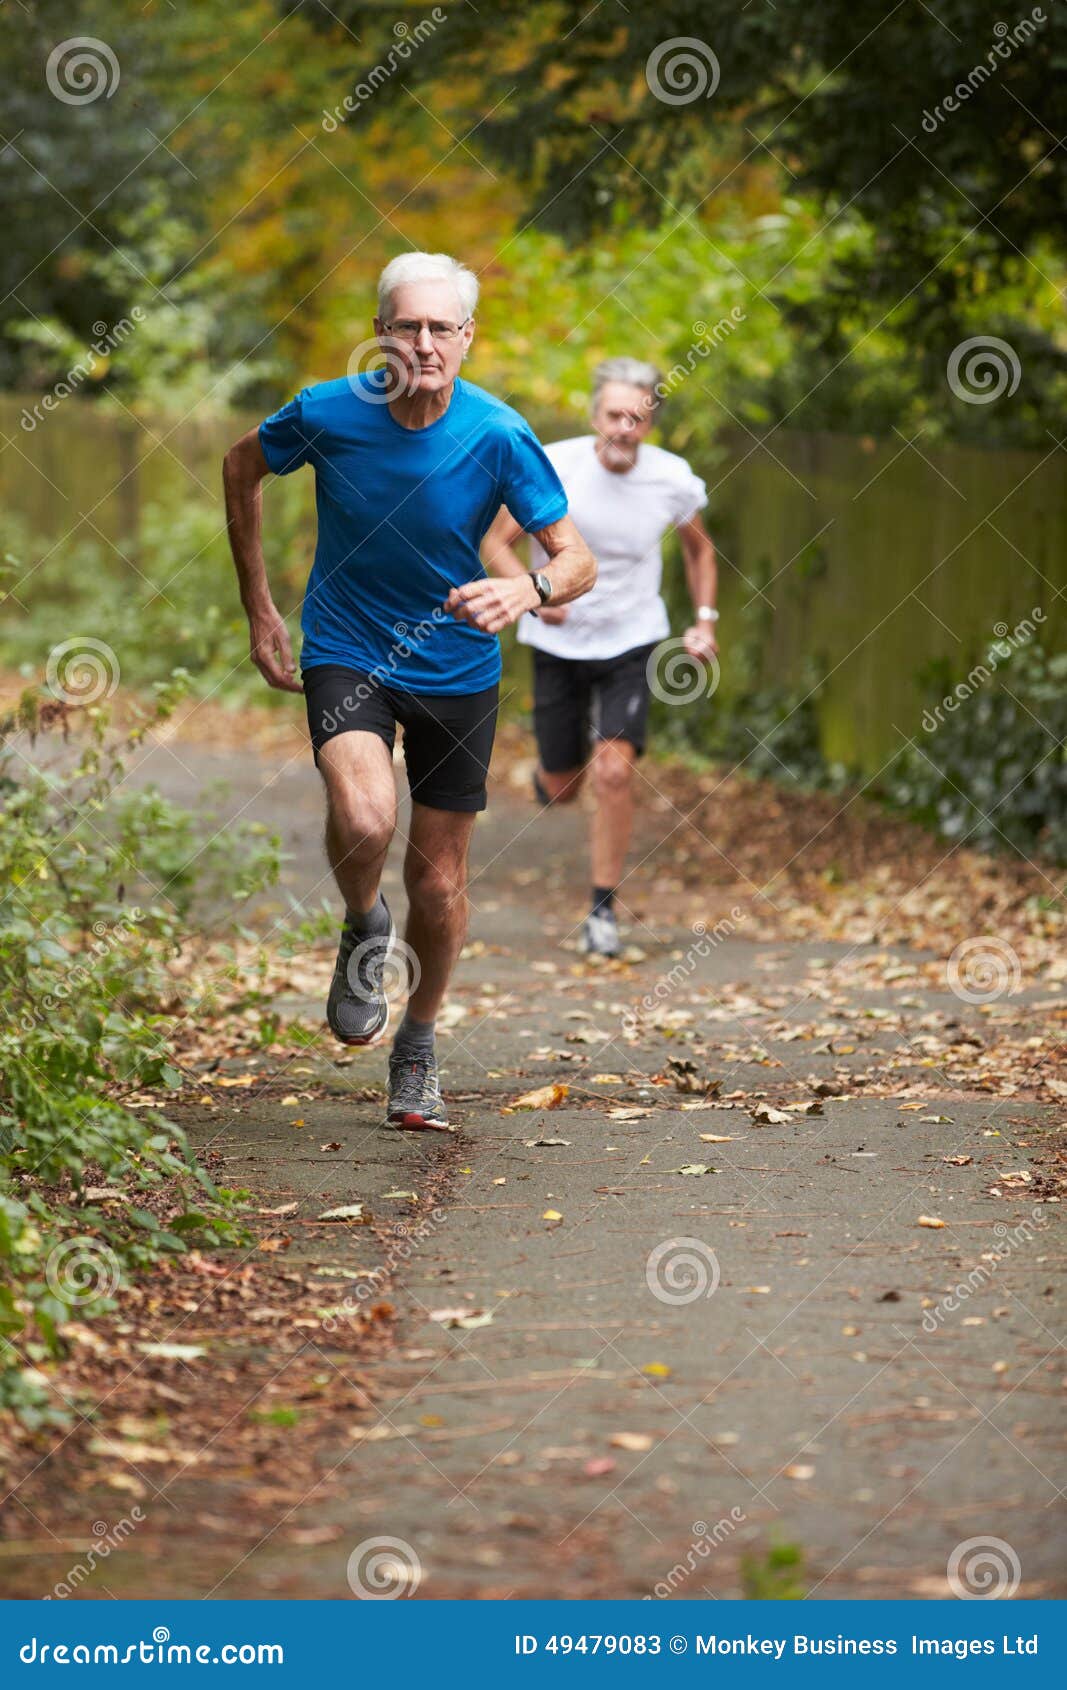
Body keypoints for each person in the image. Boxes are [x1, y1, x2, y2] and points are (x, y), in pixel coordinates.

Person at [222, 252, 595, 1128]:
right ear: (381, 331)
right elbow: (241, 469)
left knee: (439, 882)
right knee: (364, 818)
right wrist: (261, 609)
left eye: (440, 328)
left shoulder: (498, 434)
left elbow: (576, 559)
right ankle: (361, 921)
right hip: (349, 649)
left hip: (458, 667)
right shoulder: (328, 412)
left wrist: (525, 589)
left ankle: (418, 1043)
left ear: (465, 339)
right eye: (406, 325)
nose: (422, 342)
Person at [482, 357, 717, 957]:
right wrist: (533, 600)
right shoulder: (554, 464)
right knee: (564, 788)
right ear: (594, 417)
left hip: (633, 639)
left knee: (614, 771)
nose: (624, 427)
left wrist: (704, 623)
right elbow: (493, 541)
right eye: (613, 414)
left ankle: (602, 910)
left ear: (650, 424)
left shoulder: (673, 479)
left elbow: (700, 553)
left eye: (636, 418)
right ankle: (549, 779)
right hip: (559, 643)